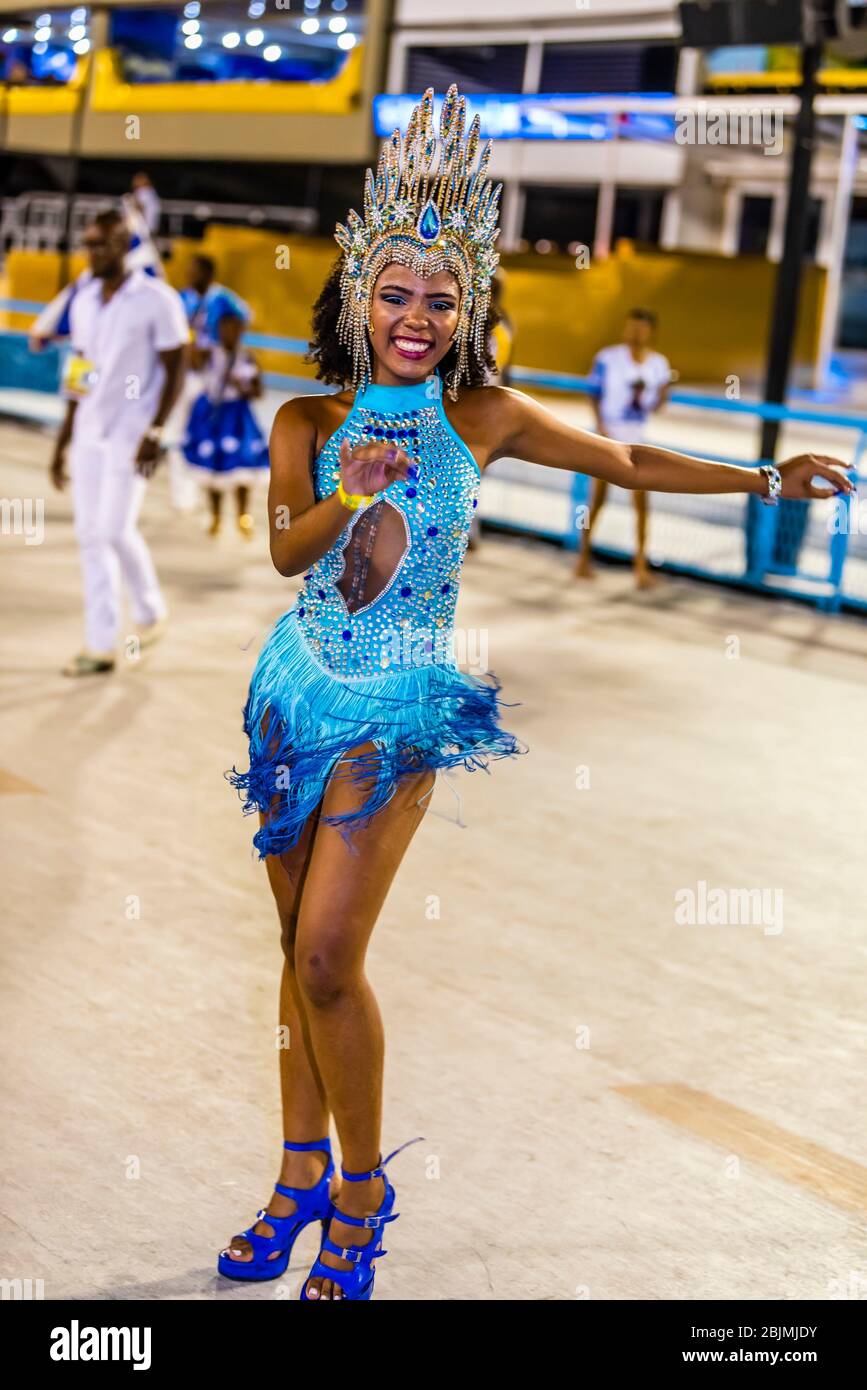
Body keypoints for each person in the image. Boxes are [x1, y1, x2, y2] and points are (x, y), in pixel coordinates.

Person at [216, 85, 853, 1301]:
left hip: (399, 705)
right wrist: (350, 489)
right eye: (394, 293)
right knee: (294, 952)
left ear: (470, 312)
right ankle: (297, 1169)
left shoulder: (485, 414)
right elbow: (290, 554)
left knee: (335, 958)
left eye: (440, 298)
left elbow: (624, 459)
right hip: (292, 692)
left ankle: (360, 1191)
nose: (415, 316)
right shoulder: (303, 416)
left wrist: (768, 474)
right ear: (357, 297)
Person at [49, 209, 188, 677]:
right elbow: (81, 367)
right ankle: (104, 642)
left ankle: (140, 617)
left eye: (103, 244)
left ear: (124, 245)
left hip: (133, 437)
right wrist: (63, 437)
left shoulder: (156, 299)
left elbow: (176, 369)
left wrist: (156, 432)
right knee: (93, 536)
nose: (93, 252)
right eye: (89, 243)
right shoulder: (85, 299)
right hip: (90, 431)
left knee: (110, 530)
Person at [576, 309, 674, 588]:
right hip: (610, 437)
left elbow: (659, 404)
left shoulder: (658, 364)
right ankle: (583, 557)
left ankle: (640, 566)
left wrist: (661, 394)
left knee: (642, 504)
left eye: (641, 328)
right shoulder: (608, 357)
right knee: (598, 500)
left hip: (638, 438)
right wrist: (601, 427)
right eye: (632, 327)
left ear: (650, 331)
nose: (635, 333)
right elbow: (593, 393)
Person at [182, 306, 268, 536]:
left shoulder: (247, 357)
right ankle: (216, 516)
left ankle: (243, 515)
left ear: (241, 330)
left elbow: (259, 392)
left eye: (234, 329)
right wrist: (190, 335)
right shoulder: (210, 354)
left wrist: (242, 387)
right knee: (215, 469)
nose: (230, 333)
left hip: (239, 418)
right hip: (215, 417)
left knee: (242, 468)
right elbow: (192, 365)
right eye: (225, 329)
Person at [130, 171, 161, 236]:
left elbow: (139, 207)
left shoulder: (143, 192)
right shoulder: (152, 191)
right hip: (153, 226)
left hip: (144, 227)